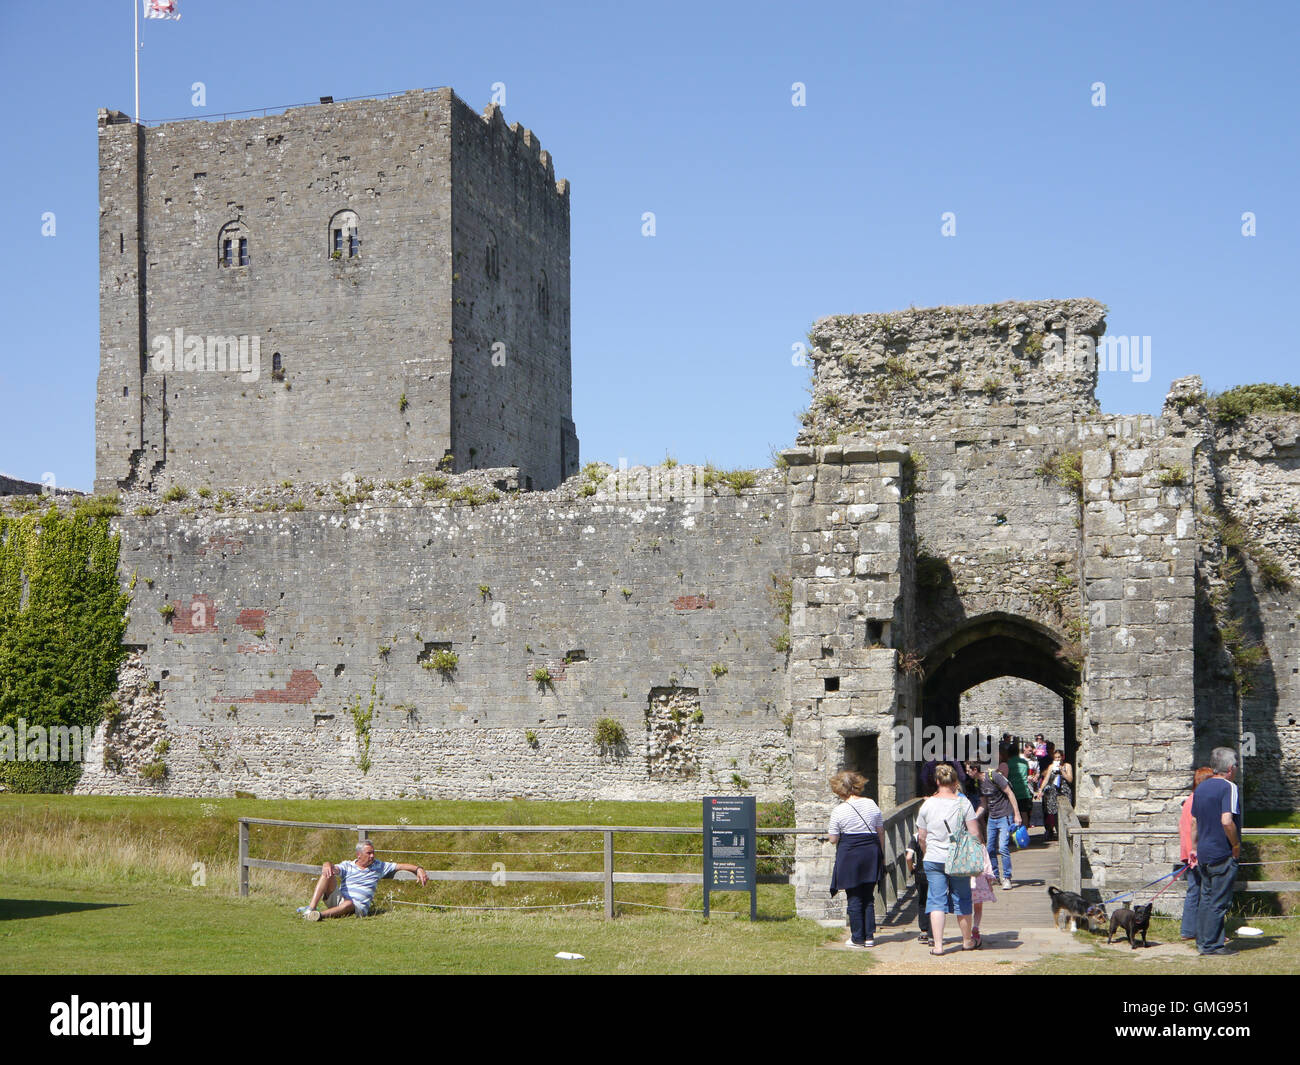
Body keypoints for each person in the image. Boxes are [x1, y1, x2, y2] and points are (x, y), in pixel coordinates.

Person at [916, 763, 982, 955]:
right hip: (959, 858)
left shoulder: (927, 804)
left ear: (937, 781)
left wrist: (926, 851)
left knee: (936, 900)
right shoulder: (963, 803)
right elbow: (975, 832)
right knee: (962, 899)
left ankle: (938, 946)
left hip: (934, 857)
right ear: (955, 781)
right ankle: (967, 941)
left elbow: (921, 836)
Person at [1190, 748, 1242, 957]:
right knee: (1220, 901)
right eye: (1236, 766)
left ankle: (1203, 941)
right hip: (1222, 851)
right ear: (1230, 768)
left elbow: (1194, 822)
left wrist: (1193, 848)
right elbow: (1226, 820)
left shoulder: (1201, 788)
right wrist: (1236, 845)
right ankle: (1213, 946)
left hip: (1203, 851)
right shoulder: (1229, 787)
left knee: (1206, 898)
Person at [298, 840, 429, 920]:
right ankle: (311, 909)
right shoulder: (348, 865)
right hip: (340, 900)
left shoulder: (379, 866)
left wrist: (418, 869)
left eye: (373, 853)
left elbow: (400, 866)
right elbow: (334, 868)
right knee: (327, 873)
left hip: (357, 908)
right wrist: (327, 864)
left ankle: (319, 915)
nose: (372, 856)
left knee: (349, 904)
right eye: (369, 853)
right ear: (359, 855)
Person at [827, 770, 885, 948]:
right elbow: (880, 830)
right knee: (868, 896)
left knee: (854, 896)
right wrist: (881, 854)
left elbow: (833, 838)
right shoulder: (871, 803)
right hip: (870, 852)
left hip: (850, 853)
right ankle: (869, 936)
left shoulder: (839, 810)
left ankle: (857, 937)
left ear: (839, 788)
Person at [970, 760, 1021, 889]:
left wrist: (1017, 814)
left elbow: (1010, 793)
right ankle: (995, 876)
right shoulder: (978, 783)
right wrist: (973, 818)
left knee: (1003, 847)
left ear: (975, 770)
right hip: (992, 817)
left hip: (1005, 815)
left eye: (967, 769)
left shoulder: (994, 776)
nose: (966, 772)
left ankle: (1007, 877)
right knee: (990, 848)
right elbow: (983, 803)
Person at [1179, 766, 1214, 941]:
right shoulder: (1199, 801)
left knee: (1194, 890)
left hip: (1189, 852)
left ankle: (1188, 930)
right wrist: (1196, 850)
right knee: (1208, 892)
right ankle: (1207, 931)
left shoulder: (1189, 800)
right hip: (1198, 853)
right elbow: (1194, 827)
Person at [1036, 747, 1073, 842]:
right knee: (1054, 814)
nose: (1058, 759)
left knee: (1065, 814)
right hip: (1054, 792)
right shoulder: (1051, 767)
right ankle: (1059, 834)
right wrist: (1040, 789)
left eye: (1059, 757)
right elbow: (1046, 779)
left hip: (1064, 791)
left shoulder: (1067, 766)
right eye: (1056, 757)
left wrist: (1062, 771)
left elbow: (1070, 779)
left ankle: (1066, 834)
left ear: (1062, 757)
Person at [1002, 742, 1034, 840]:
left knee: (1012, 814)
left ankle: (1014, 835)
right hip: (1024, 790)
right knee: (1024, 813)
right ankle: (1024, 834)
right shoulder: (1024, 762)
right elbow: (1027, 774)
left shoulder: (1008, 764)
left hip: (1013, 792)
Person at [904, 830, 931, 945]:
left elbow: (909, 857)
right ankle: (935, 932)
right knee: (937, 900)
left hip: (921, 873)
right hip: (937, 872)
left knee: (922, 901)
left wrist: (911, 869)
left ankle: (924, 931)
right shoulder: (938, 834)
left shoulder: (916, 836)